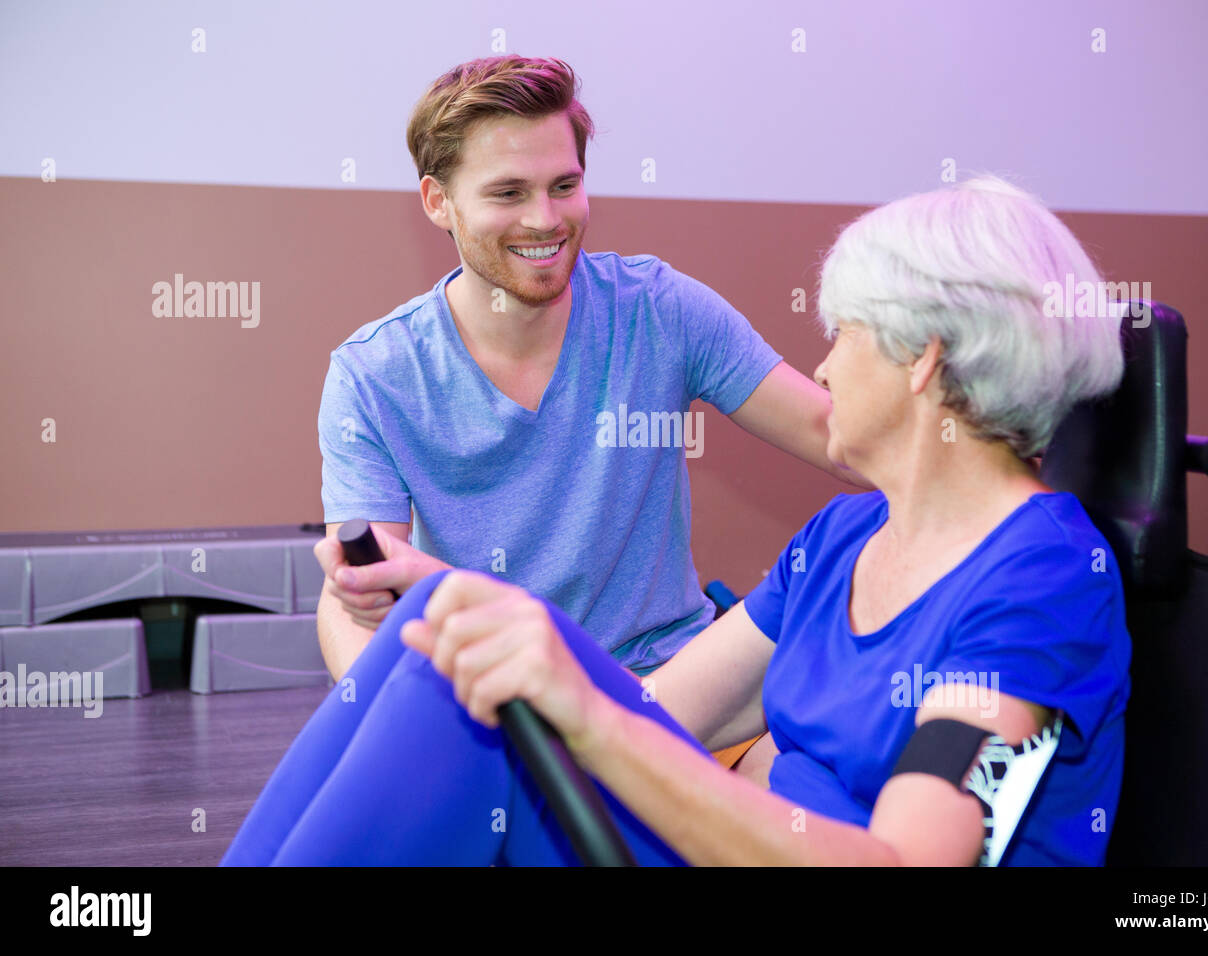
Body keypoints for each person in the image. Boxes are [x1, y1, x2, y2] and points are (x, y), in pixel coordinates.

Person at [223, 174, 1130, 866]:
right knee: (437, 627)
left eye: (844, 335)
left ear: (923, 359)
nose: (821, 370)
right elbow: (663, 715)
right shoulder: (845, 539)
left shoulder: (1038, 583)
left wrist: (580, 707)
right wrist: (458, 600)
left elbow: (904, 863)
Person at [314, 55, 865, 685]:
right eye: (508, 192)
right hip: (499, 699)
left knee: (787, 780)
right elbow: (363, 593)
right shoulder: (373, 374)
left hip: (670, 687)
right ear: (437, 201)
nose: (545, 219)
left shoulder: (660, 309)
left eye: (564, 186)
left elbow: (840, 436)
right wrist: (375, 720)